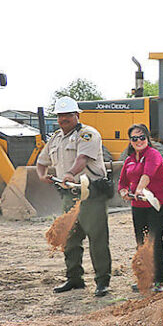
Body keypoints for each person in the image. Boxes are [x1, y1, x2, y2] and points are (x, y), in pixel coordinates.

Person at [34, 96, 112, 296]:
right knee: (69, 238)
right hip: (68, 195)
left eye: (67, 115)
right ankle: (74, 278)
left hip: (90, 194)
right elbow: (41, 161)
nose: (63, 119)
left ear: (76, 115)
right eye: (60, 116)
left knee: (97, 239)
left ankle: (102, 281)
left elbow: (82, 159)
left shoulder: (87, 135)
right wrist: (42, 175)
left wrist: (69, 173)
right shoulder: (56, 139)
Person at [118, 123, 163, 291]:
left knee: (154, 239)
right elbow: (122, 183)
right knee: (141, 242)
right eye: (134, 138)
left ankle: (159, 281)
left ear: (148, 139)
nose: (138, 140)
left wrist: (140, 189)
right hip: (138, 204)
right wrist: (124, 193)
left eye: (142, 137)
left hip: (159, 203)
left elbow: (147, 174)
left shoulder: (154, 154)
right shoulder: (129, 160)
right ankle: (145, 279)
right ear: (130, 141)